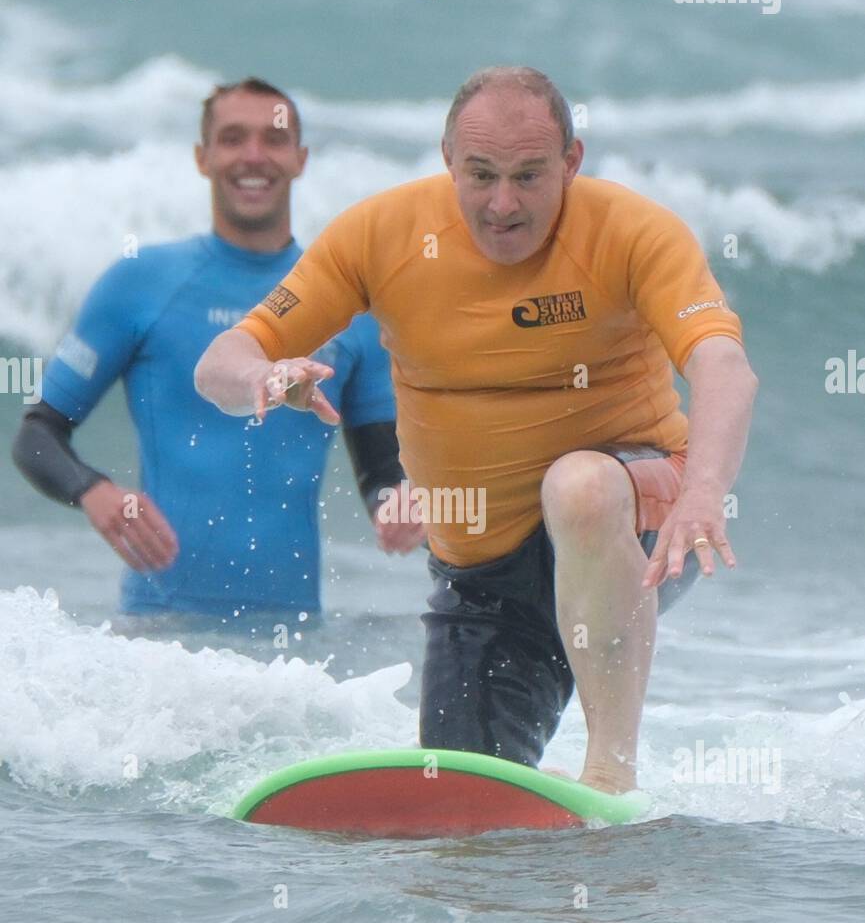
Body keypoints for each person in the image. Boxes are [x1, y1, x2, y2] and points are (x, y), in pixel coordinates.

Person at [194, 66, 758, 792]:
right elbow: (221, 361)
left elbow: (722, 365)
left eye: (528, 176)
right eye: (481, 174)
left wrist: (704, 491)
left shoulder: (629, 231)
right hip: (484, 578)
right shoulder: (382, 234)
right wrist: (260, 379)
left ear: (571, 162)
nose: (502, 204)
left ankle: (611, 777)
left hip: (638, 517)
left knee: (578, 488)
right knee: (465, 818)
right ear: (446, 160)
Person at [13, 78, 419, 622]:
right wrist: (95, 491)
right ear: (203, 158)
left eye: (273, 140)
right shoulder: (141, 283)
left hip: (294, 646)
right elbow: (37, 432)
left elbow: (380, 471)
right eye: (233, 138)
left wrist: (398, 506)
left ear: (300, 159)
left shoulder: (349, 304)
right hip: (158, 633)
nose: (254, 156)